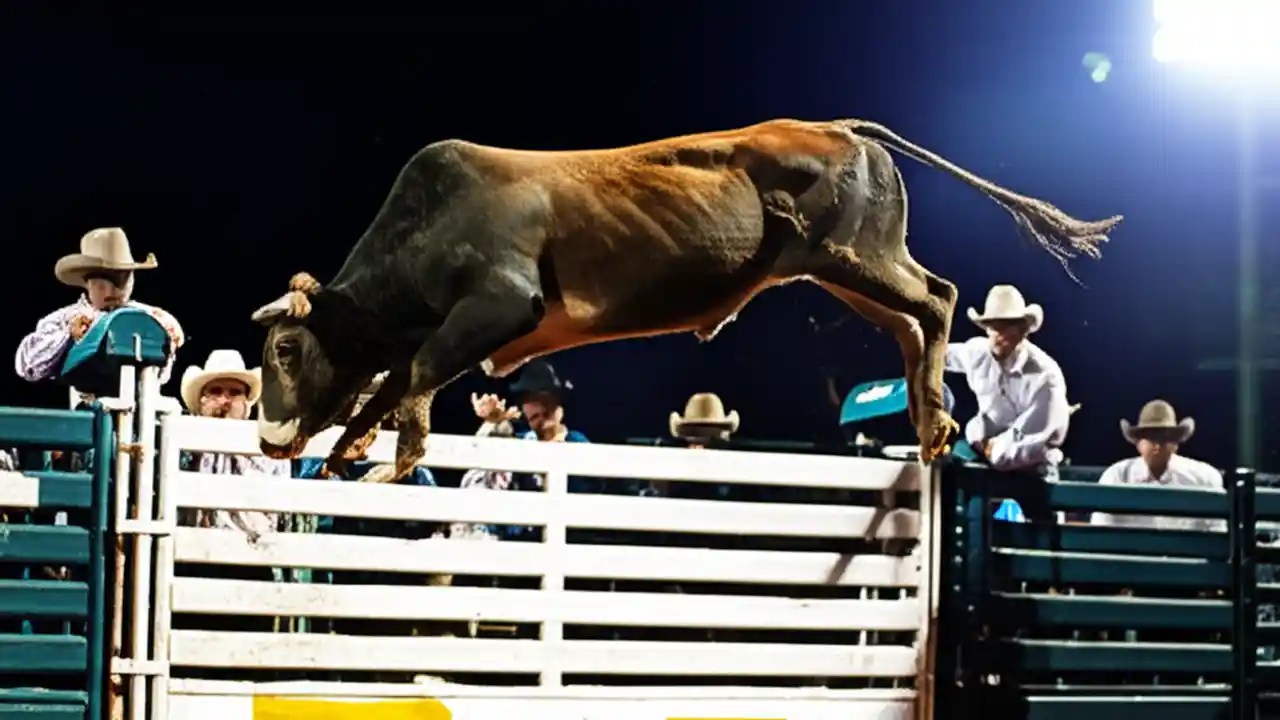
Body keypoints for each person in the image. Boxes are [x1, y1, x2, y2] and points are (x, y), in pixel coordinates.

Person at [15, 227, 184, 397]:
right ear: (88, 283)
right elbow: (27, 365)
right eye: (102, 284)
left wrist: (165, 339)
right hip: (82, 413)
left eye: (121, 281)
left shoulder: (148, 317)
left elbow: (160, 377)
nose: (112, 292)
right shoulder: (64, 319)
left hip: (137, 413)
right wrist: (67, 335)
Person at [945, 284, 1071, 479]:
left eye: (1005, 326)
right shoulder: (977, 353)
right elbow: (938, 354)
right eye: (992, 325)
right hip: (981, 453)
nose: (997, 333)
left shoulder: (1045, 377)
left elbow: (1028, 443)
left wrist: (989, 447)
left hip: (1032, 471)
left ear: (1023, 330)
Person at [1090, 400, 1225, 532]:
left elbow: (1218, 534)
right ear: (1138, 443)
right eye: (1150, 437)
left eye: (1165, 437)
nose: (1157, 445)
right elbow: (1100, 532)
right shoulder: (1116, 477)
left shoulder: (1204, 478)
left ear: (1176, 444)